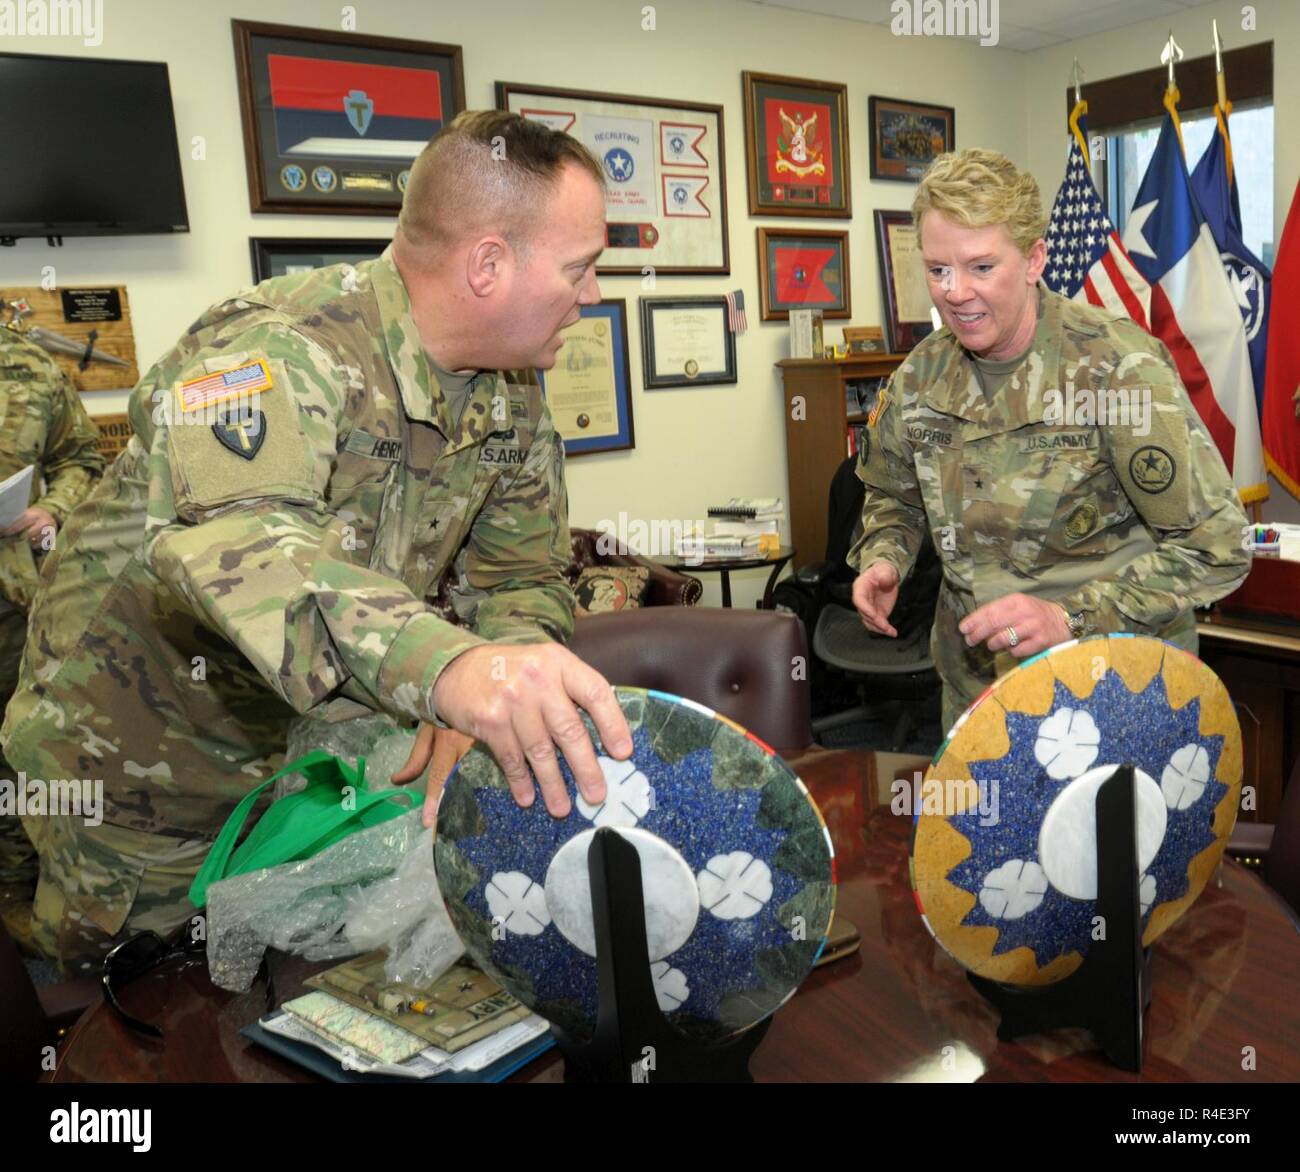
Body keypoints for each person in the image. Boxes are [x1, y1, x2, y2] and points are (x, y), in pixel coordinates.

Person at [0, 110, 633, 972]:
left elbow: (520, 573)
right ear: (489, 263)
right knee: (149, 1014)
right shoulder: (272, 347)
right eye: (581, 268)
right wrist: (452, 670)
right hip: (149, 763)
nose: (593, 294)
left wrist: (488, 694)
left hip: (314, 752)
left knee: (299, 995)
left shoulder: (511, 390)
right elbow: (244, 544)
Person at [849, 148, 1251, 732]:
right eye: (938, 270)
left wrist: (1072, 617)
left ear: (1035, 258)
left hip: (1113, 693)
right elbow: (896, 496)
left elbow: (1217, 545)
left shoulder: (1117, 369)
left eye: (981, 267)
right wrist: (887, 557)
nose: (955, 292)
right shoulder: (920, 377)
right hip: (977, 696)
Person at [0, 329, 105, 939]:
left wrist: (52, 508)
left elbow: (81, 457)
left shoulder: (27, 364)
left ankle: (28, 886)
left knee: (30, 747)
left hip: (20, 603)